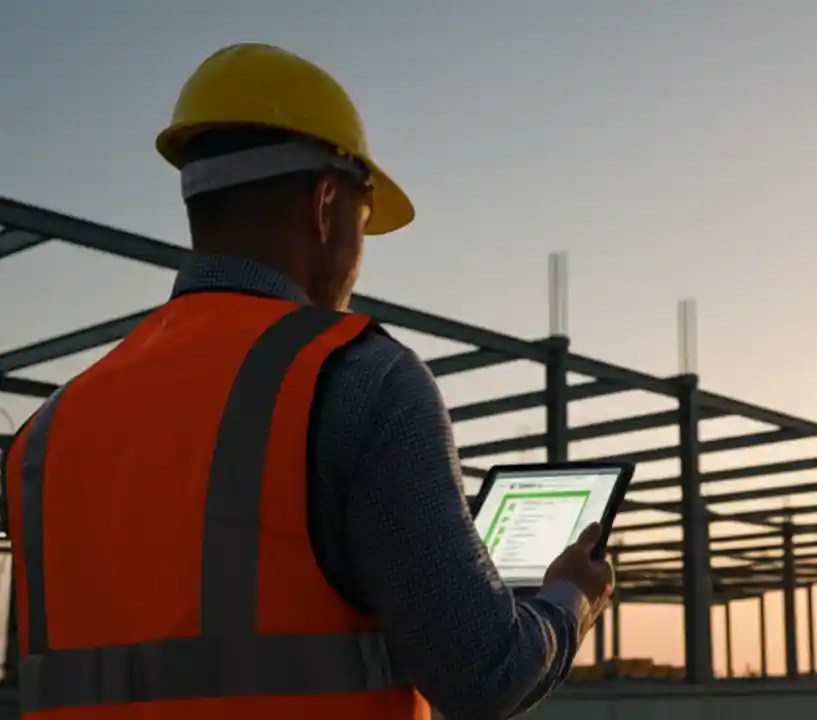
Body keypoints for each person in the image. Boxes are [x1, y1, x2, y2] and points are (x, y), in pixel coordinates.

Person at [1, 43, 613, 720]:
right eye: (362, 222)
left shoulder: (45, 434)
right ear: (326, 206)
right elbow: (484, 671)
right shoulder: (359, 379)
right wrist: (570, 599)